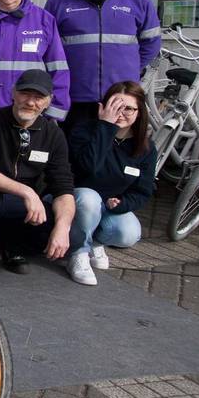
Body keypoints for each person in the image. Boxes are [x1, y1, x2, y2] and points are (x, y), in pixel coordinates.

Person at [0, 70, 76, 285]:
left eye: (38, 97)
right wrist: (27, 192)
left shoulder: (53, 134)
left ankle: (10, 244)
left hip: (18, 205)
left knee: (53, 220)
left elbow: (64, 188)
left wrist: (63, 227)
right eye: (25, 93)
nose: (30, 102)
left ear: (48, 102)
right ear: (13, 92)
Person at [45, 0, 161, 133]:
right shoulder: (60, 0)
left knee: (116, 156)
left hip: (121, 97)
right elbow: (47, 48)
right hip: (74, 96)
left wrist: (129, 68)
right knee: (76, 156)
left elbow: (151, 42)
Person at [65, 81, 153, 285]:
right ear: (103, 107)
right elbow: (87, 168)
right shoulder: (84, 131)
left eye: (129, 108)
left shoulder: (145, 148)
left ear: (139, 112)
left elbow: (144, 190)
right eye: (116, 106)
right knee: (89, 197)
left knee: (129, 233)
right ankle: (78, 254)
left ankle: (94, 242)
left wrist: (124, 203)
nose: (121, 113)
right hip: (75, 201)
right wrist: (106, 127)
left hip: (108, 208)